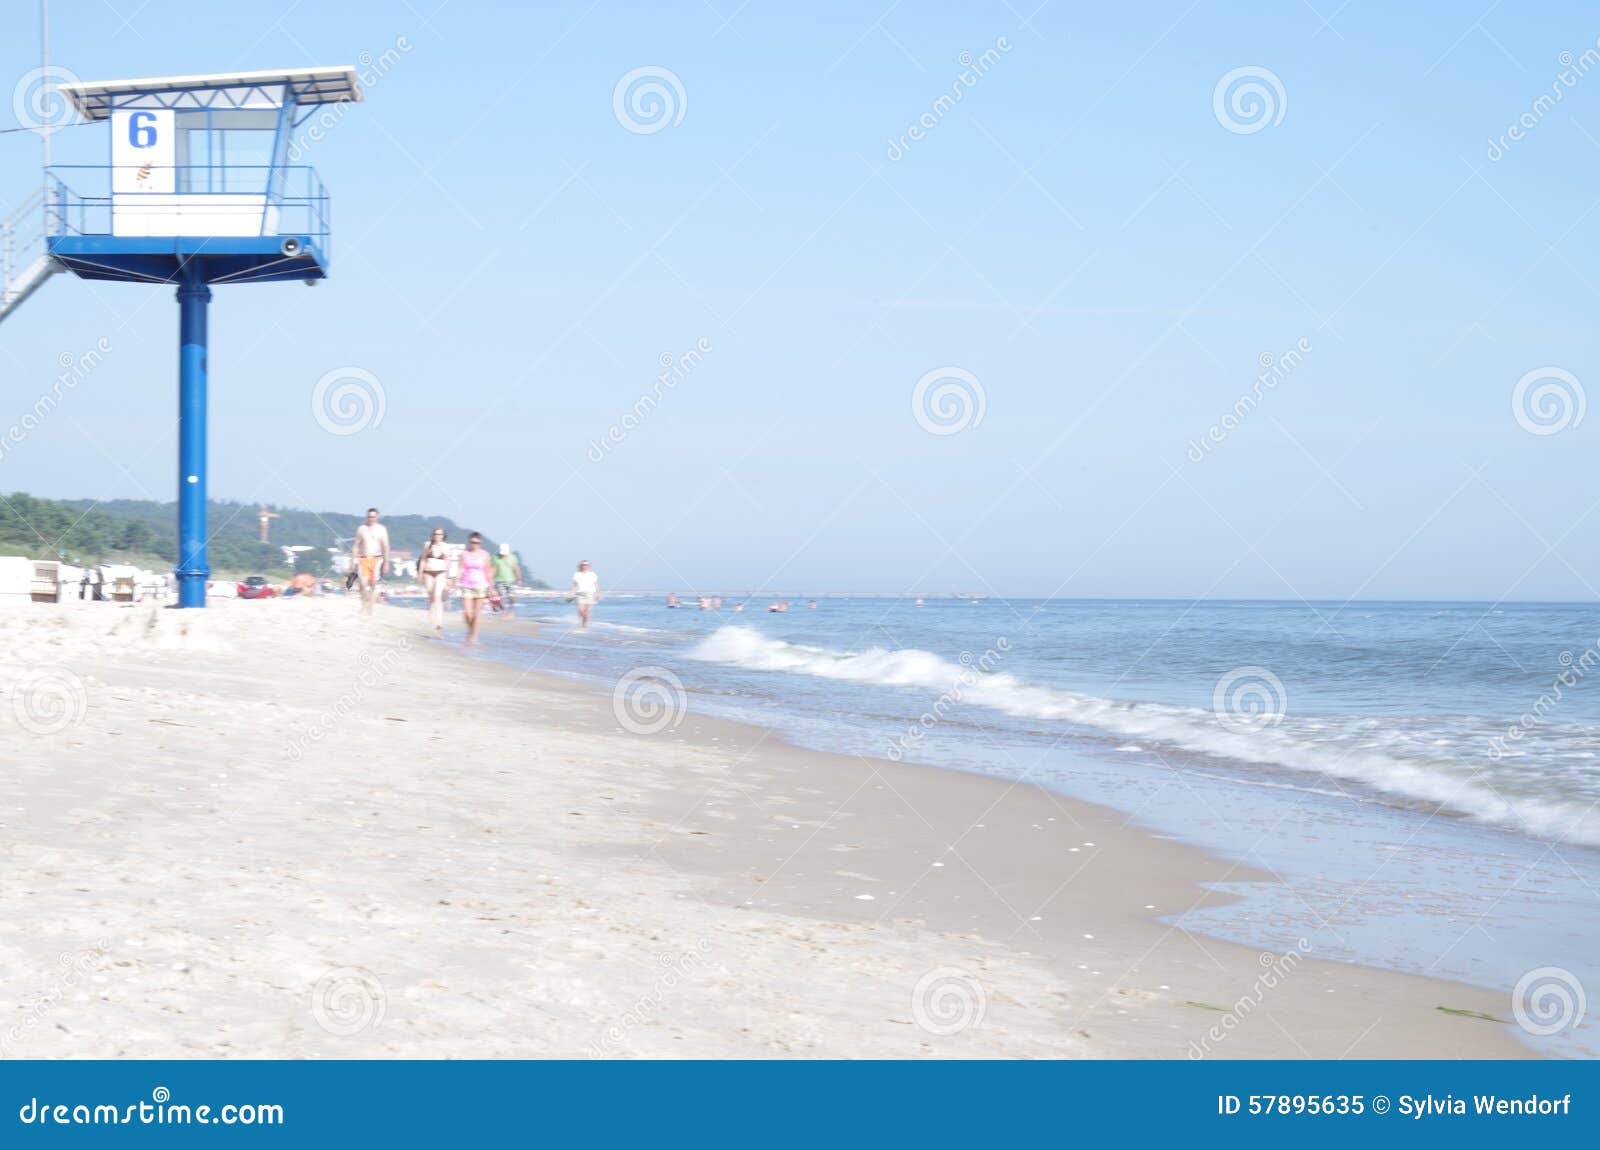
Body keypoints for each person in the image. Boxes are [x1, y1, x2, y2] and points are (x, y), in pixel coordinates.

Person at [351, 507, 390, 617]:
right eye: (369, 517)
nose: (371, 519)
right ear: (366, 517)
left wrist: (386, 563)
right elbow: (356, 545)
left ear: (377, 517)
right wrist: (352, 562)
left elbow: (386, 546)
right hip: (363, 558)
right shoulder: (361, 529)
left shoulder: (381, 529)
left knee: (373, 585)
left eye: (373, 517)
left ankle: (370, 607)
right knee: (362, 584)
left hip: (376, 559)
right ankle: (364, 605)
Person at [457, 532, 493, 645]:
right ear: (469, 542)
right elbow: (460, 568)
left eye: (477, 543)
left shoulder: (485, 555)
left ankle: (473, 637)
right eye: (472, 542)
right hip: (466, 585)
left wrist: (492, 587)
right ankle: (471, 630)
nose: (474, 544)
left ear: (480, 543)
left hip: (481, 586)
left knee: (476, 615)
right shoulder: (464, 554)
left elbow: (488, 571)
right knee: (467, 614)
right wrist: (455, 580)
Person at [418, 527, 452, 632]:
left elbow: (448, 562)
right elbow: (423, 559)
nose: (437, 536)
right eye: (436, 534)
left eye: (440, 534)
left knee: (437, 596)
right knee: (431, 596)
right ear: (433, 535)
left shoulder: (446, 547)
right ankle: (431, 618)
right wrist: (420, 572)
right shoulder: (427, 545)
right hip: (428, 572)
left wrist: (448, 577)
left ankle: (439, 622)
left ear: (443, 536)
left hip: (440, 573)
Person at [568, 559, 599, 628]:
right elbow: (574, 585)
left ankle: (584, 626)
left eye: (586, 565)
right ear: (581, 566)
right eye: (583, 565)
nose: (585, 566)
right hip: (580, 593)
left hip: (591, 593)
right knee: (581, 610)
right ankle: (584, 622)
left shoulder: (592, 574)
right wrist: (570, 594)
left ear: (589, 566)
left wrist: (598, 593)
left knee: (587, 612)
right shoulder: (577, 574)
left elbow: (596, 584)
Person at [492, 543, 520, 614]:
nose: (503, 555)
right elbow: (493, 569)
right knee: (499, 597)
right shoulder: (495, 557)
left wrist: (518, 579)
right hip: (499, 580)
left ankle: (510, 612)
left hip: (510, 581)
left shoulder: (513, 558)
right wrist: (491, 579)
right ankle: (501, 609)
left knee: (512, 598)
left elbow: (516, 568)